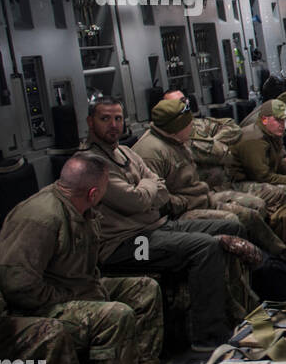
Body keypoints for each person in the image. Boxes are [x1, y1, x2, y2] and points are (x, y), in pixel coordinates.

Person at [0, 154, 171, 364]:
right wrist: (71, 296)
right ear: (93, 192)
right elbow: (16, 286)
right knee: (115, 315)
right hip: (41, 307)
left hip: (78, 290)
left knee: (143, 289)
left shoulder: (79, 208)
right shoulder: (41, 218)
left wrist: (87, 292)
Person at [82, 97, 254, 350]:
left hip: (156, 227)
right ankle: (207, 335)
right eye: (105, 118)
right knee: (205, 247)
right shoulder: (91, 164)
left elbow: (158, 191)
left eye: (118, 118)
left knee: (231, 227)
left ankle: (237, 310)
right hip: (126, 244)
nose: (113, 125)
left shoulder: (125, 153)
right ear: (90, 122)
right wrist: (148, 188)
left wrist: (147, 189)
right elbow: (137, 200)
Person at [132, 99, 286, 256]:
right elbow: (156, 199)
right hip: (183, 212)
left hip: (203, 198)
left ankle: (277, 258)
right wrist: (186, 201)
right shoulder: (152, 153)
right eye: (188, 125)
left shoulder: (177, 140)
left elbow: (229, 129)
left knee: (253, 211)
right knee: (233, 221)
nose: (192, 127)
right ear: (177, 127)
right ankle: (263, 263)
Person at [176, 91, 286, 262]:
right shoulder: (167, 147)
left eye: (184, 104)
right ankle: (276, 257)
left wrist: (213, 143)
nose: (182, 109)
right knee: (247, 213)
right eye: (176, 106)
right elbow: (262, 174)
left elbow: (231, 128)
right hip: (203, 196)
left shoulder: (201, 126)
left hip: (223, 185)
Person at [229, 99, 286, 261]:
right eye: (278, 120)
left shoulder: (271, 134)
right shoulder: (254, 139)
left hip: (258, 177)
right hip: (240, 183)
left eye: (284, 120)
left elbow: (279, 164)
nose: (283, 124)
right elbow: (262, 175)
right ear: (265, 119)